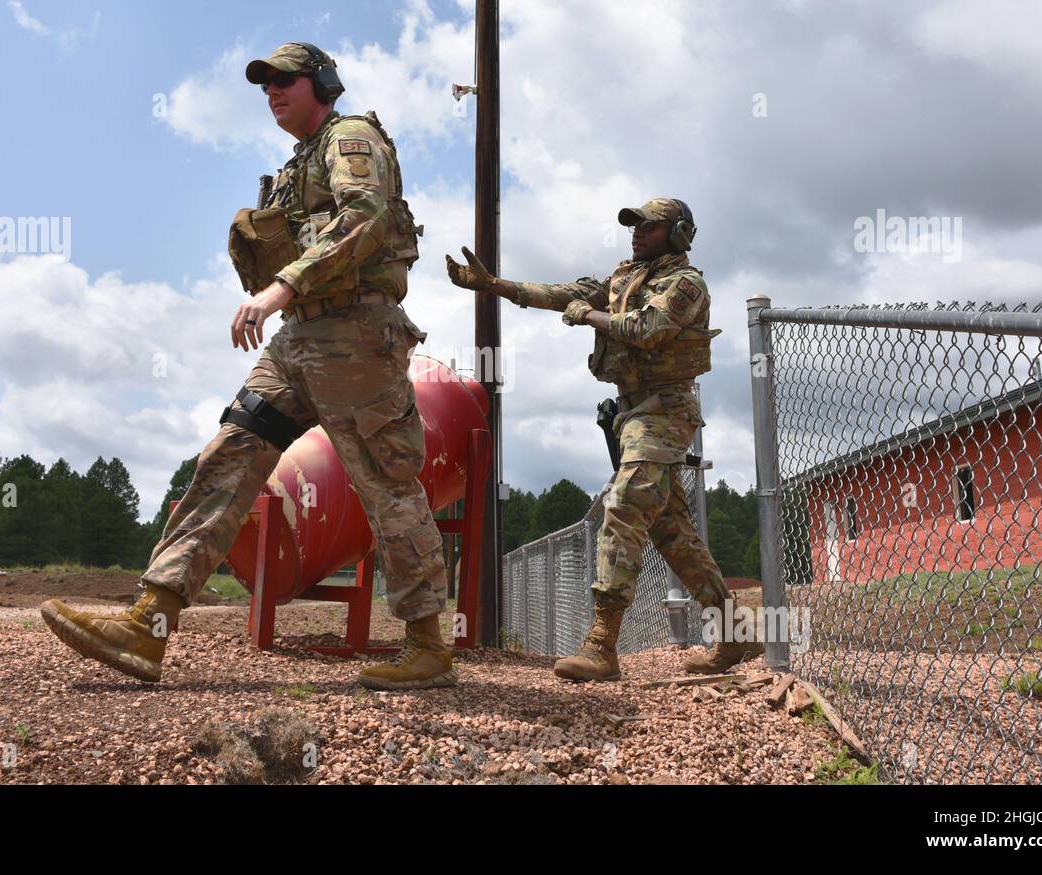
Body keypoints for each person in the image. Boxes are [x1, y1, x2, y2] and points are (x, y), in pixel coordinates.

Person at [42, 42, 455, 691]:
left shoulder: (351, 140)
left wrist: (280, 286)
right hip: (301, 340)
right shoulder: (297, 164)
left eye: (285, 80)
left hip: (356, 335)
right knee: (232, 450)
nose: (272, 92)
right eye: (264, 84)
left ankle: (429, 644)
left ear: (321, 82)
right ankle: (150, 622)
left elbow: (363, 219)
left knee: (385, 482)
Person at [446, 198, 762, 681]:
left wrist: (585, 316)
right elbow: (556, 292)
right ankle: (735, 632)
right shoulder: (623, 279)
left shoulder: (685, 285)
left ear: (677, 234)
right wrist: (493, 285)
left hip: (665, 411)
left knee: (623, 506)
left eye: (649, 228)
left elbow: (647, 329)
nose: (636, 234)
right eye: (634, 226)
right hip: (634, 412)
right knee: (672, 531)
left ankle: (602, 644)